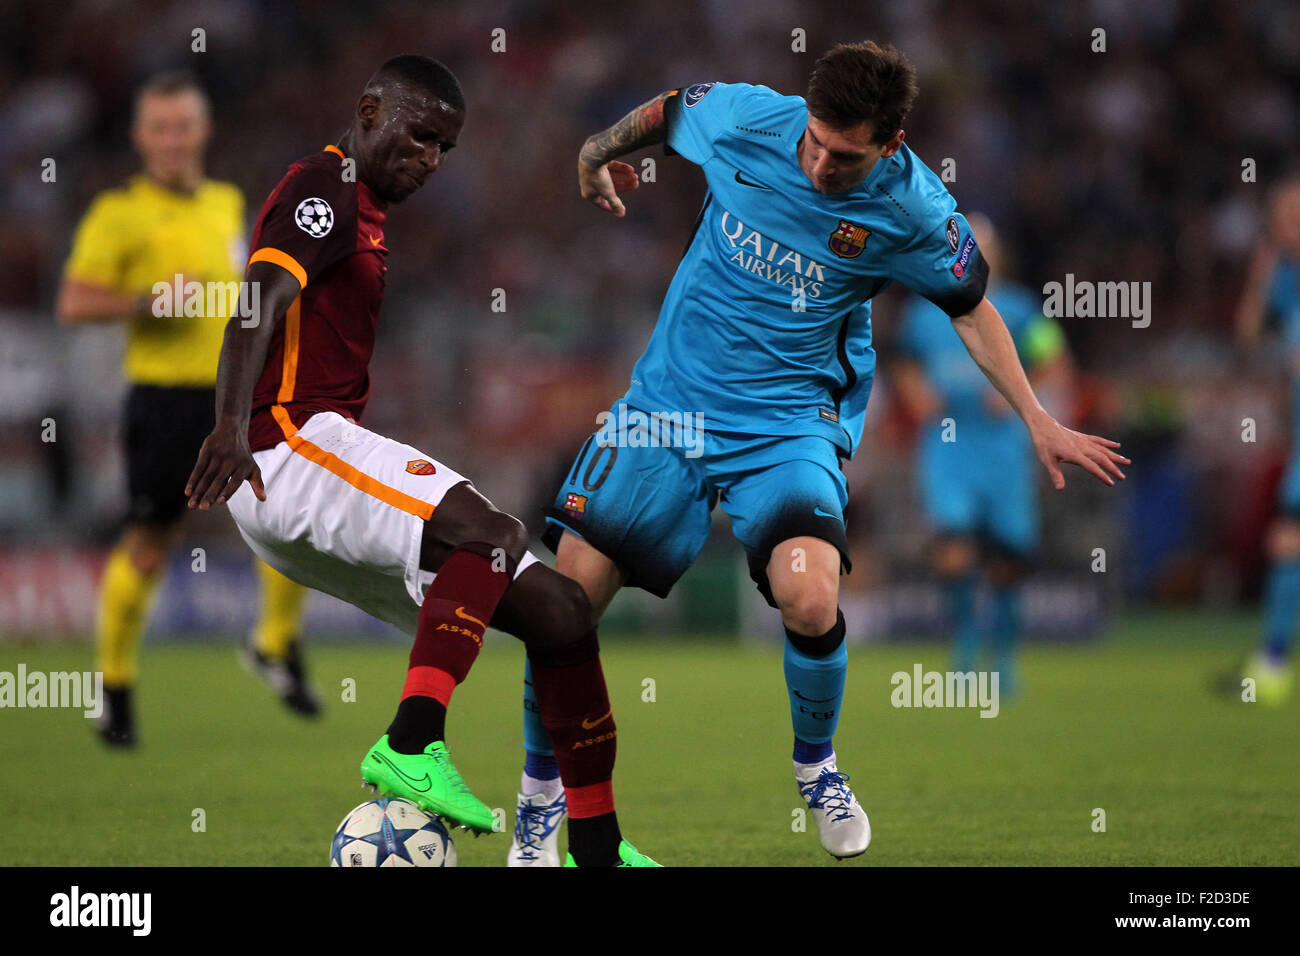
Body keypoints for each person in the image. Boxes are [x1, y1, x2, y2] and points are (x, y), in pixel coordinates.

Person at [509, 41, 1127, 865]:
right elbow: (667, 112)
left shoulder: (914, 209)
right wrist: (596, 153)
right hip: (667, 405)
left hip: (789, 422)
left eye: (845, 156)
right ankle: (539, 804)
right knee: (565, 603)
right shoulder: (746, 116)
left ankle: (817, 766)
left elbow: (973, 308)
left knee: (809, 593)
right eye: (815, 141)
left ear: (892, 144)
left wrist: (1038, 417)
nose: (820, 164)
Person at [184, 54, 656, 866]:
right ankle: (411, 742)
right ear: (370, 109)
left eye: (445, 148)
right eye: (421, 135)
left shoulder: (362, 207)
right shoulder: (321, 192)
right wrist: (229, 424)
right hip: (287, 447)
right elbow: (254, 307)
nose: (431, 159)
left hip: (298, 466)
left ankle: (596, 851)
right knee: (494, 531)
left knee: (563, 613)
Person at [57, 71, 314, 748]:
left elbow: (246, 296)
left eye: (184, 126)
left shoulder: (229, 202)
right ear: (142, 137)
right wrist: (146, 302)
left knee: (290, 517)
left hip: (239, 392)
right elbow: (76, 303)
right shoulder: (119, 214)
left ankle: (273, 645)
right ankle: (112, 690)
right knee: (150, 544)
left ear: (203, 132)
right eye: (160, 128)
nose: (173, 140)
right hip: (165, 403)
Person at [894, 214, 1072, 696]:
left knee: (1006, 558)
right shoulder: (923, 309)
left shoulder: (1017, 308)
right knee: (952, 548)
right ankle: (965, 646)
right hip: (948, 446)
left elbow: (1055, 358)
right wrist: (917, 396)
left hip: (1002, 447)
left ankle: (1005, 659)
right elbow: (904, 364)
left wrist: (1019, 392)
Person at [1235, 175, 1300, 705]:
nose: (1287, 226)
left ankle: (1275, 658)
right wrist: (1261, 273)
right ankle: (1274, 659)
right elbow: (1249, 333)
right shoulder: (1284, 279)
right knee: (1286, 541)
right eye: (1281, 218)